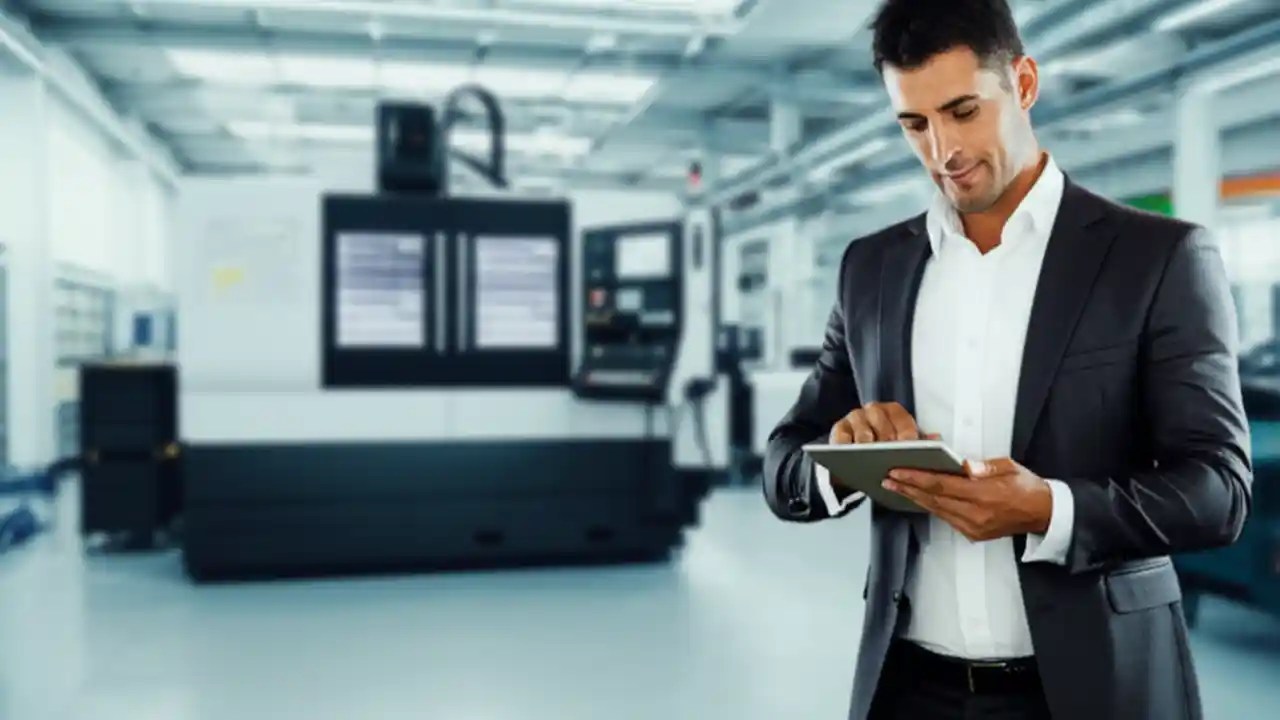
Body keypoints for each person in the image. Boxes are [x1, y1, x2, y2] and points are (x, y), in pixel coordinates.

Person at [761, 1, 1253, 719]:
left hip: (1094, 686)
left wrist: (1049, 509)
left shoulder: (1157, 259)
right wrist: (840, 462)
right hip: (910, 689)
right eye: (915, 124)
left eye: (963, 111)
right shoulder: (872, 269)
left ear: (1023, 83)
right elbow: (785, 463)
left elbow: (1219, 491)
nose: (942, 150)